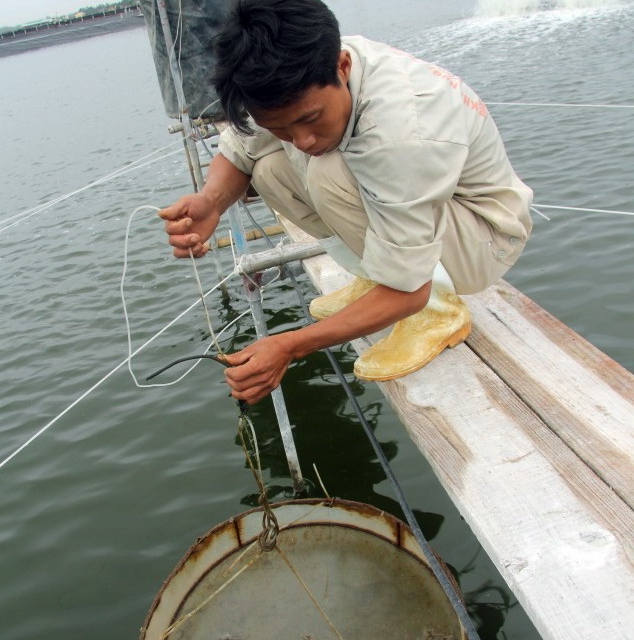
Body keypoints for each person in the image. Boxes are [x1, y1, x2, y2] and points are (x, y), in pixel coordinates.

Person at [160, 0, 533, 405]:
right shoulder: (295, 68)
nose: (301, 139)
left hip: (484, 237)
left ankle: (439, 311)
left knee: (325, 169)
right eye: (279, 126)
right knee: (268, 167)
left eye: (310, 119)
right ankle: (377, 274)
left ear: (342, 68)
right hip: (424, 214)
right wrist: (212, 201)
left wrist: (291, 345)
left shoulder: (401, 128)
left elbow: (408, 289)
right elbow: (241, 151)